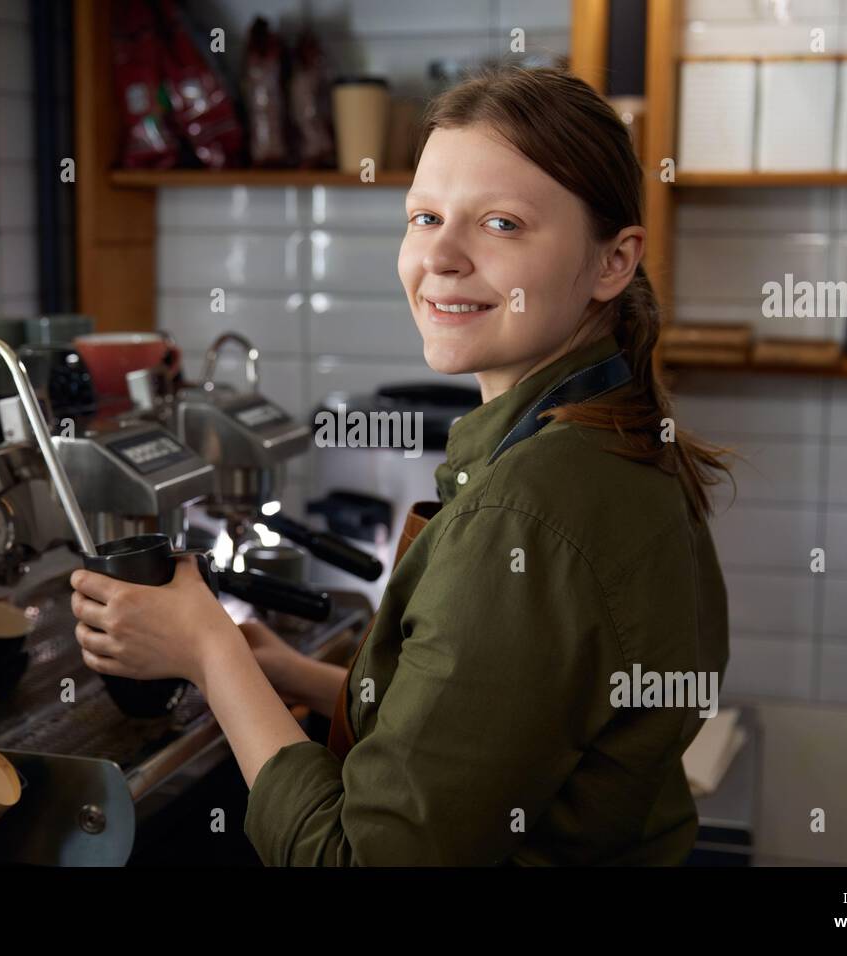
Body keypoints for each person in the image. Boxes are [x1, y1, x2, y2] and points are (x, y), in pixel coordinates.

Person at [70, 65, 731, 866]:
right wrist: (307, 681)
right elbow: (517, 726)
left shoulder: (526, 516)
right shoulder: (616, 441)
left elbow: (360, 860)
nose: (441, 257)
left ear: (612, 262)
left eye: (502, 224)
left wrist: (209, 654)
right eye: (424, 216)